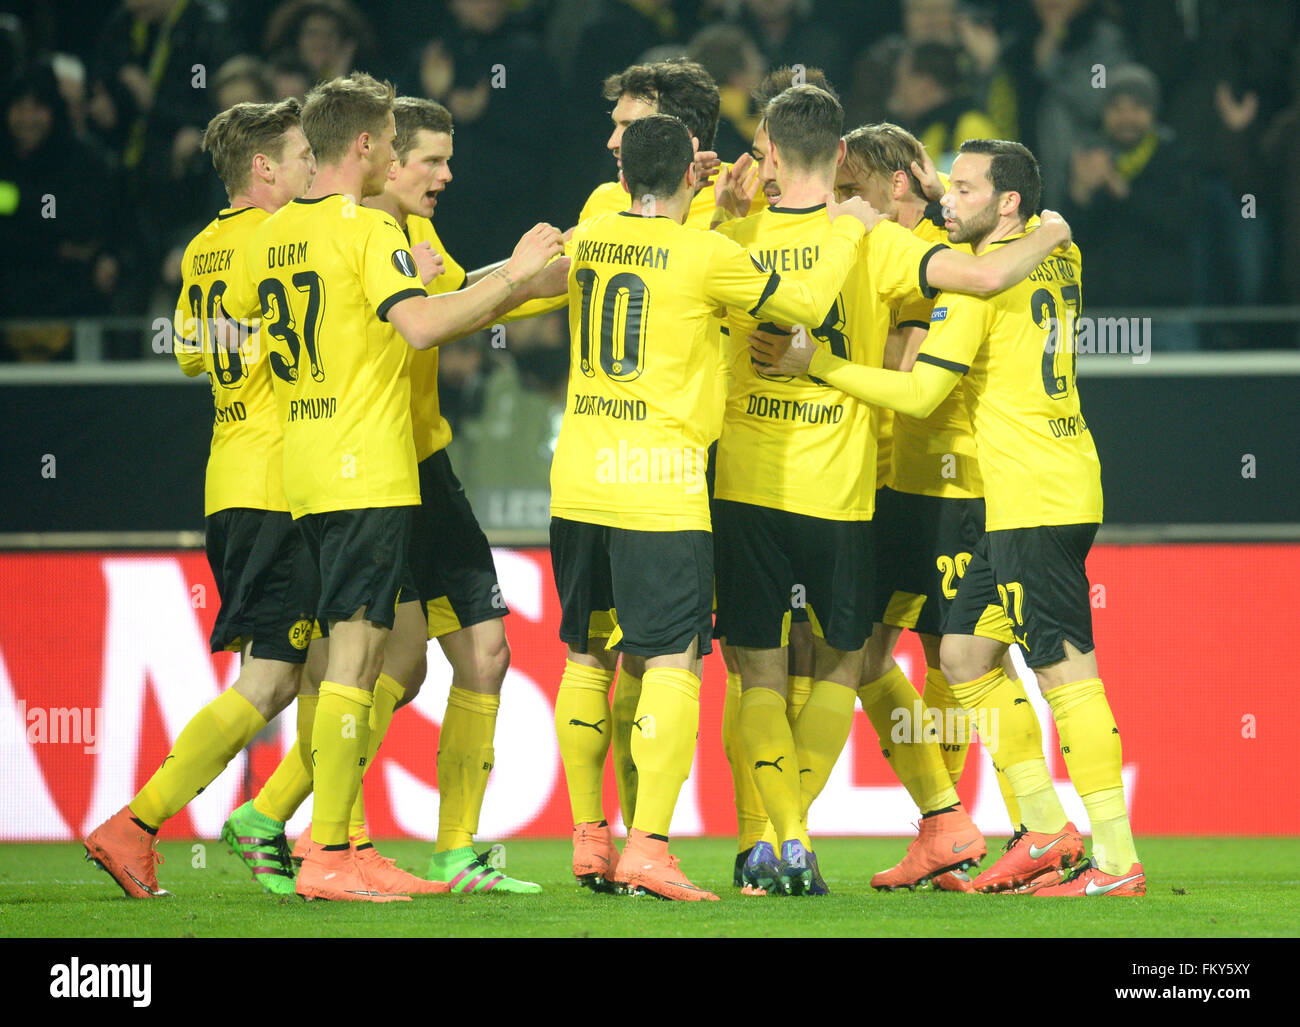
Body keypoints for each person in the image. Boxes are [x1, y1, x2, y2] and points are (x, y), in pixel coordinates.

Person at [753, 138, 1144, 897]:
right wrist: (970, 201)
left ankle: (1117, 860)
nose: (946, 200)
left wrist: (818, 365)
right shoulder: (1058, 252)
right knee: (964, 659)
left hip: (1035, 494)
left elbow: (921, 396)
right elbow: (1041, 220)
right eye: (945, 187)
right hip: (1036, 485)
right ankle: (1045, 829)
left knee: (1067, 671)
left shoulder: (973, 290)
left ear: (1004, 204)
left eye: (965, 190)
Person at [219, 71, 563, 902]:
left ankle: (441, 850)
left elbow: (455, 300)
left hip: (411, 468)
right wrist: (517, 281)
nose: (445, 176)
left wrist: (574, 264)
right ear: (383, 154)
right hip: (374, 467)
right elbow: (429, 320)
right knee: (374, 661)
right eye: (433, 161)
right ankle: (311, 830)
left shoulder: (397, 237)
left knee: (474, 653)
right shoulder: (368, 235)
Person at [553, 112, 882, 900]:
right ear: (688, 174)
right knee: (671, 658)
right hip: (660, 482)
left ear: (624, 175)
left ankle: (589, 834)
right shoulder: (706, 255)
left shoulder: (590, 235)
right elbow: (799, 301)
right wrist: (847, 228)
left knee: (585, 655)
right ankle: (650, 847)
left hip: (577, 479)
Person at [83, 99, 317, 898]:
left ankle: (298, 831)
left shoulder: (205, 250)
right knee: (276, 679)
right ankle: (139, 821)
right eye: (300, 157)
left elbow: (188, 352)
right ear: (264, 169)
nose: (312, 170)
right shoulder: (282, 241)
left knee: (326, 667)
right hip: (281, 484)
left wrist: (242, 340)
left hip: (232, 477)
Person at [833, 122, 1026, 893]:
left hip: (962, 488)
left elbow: (918, 377)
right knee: (867, 657)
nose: (846, 204)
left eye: (855, 189)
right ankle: (944, 822)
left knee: (967, 663)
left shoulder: (947, 258)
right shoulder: (886, 249)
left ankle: (1036, 828)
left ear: (901, 184)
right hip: (894, 488)